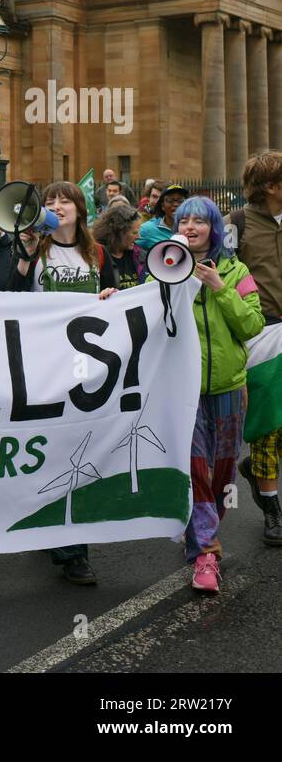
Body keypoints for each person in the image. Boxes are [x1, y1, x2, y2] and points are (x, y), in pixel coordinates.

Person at [10, 181, 119, 586]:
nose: (57, 206)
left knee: (80, 451)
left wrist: (110, 295)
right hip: (45, 364)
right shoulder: (36, 249)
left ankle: (74, 548)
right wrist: (23, 252)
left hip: (86, 369)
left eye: (64, 200)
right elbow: (12, 295)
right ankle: (58, 533)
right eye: (50, 200)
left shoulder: (98, 252)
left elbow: (115, 295)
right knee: (50, 450)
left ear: (80, 208)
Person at [171, 196, 264, 591]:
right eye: (183, 220)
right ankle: (206, 552)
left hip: (228, 386)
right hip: (183, 387)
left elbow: (252, 324)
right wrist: (111, 300)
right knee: (194, 469)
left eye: (200, 221)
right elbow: (139, 311)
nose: (191, 227)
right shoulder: (165, 265)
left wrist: (220, 288)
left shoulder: (236, 269)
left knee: (223, 471)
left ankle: (203, 529)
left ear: (214, 228)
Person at [232, 151, 282, 545]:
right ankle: (271, 509)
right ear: (270, 186)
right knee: (266, 427)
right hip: (262, 335)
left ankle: (258, 474)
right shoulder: (238, 223)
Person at [91, 204, 145, 290]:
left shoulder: (140, 255)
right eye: (134, 233)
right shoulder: (97, 255)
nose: (139, 237)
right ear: (119, 231)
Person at [137, 184, 187, 251]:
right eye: (170, 200)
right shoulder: (147, 229)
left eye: (180, 200)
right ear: (162, 206)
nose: (176, 204)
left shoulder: (193, 229)